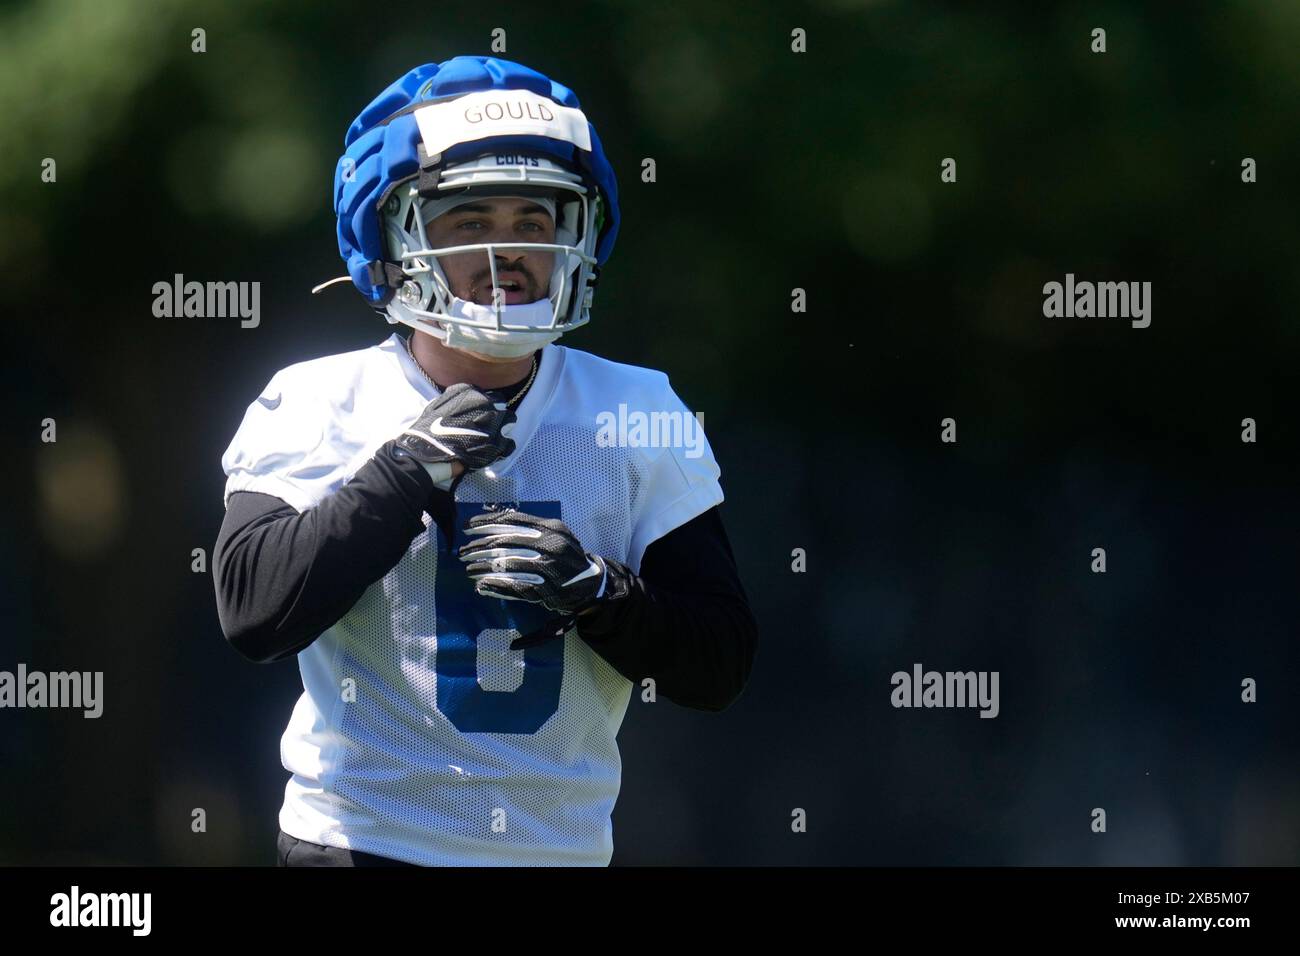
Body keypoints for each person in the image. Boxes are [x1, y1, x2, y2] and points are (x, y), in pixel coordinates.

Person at [213, 55, 757, 867]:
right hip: (357, 846)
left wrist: (600, 593)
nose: (508, 251)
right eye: (469, 222)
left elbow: (717, 666)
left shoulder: (638, 413)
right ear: (394, 241)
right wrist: (402, 473)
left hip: (554, 855)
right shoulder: (322, 400)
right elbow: (253, 613)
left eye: (534, 222)